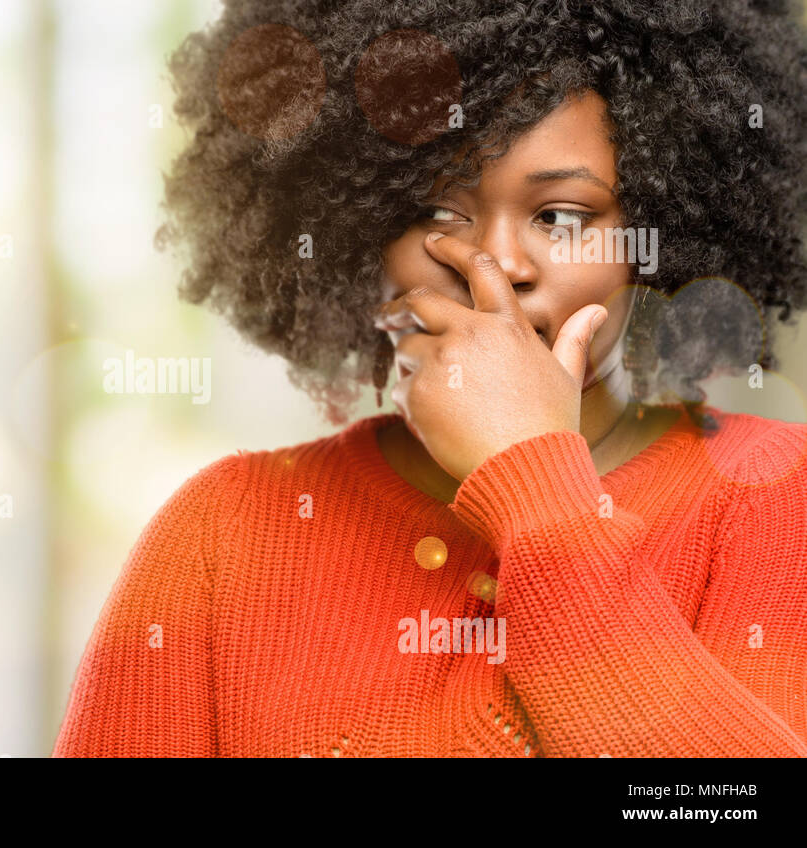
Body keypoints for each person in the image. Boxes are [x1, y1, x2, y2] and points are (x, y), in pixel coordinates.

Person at [53, 0, 807, 757]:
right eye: (434, 213)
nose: (500, 264)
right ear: (358, 235)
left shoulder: (775, 497)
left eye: (562, 216)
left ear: (660, 237)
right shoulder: (219, 536)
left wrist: (536, 485)